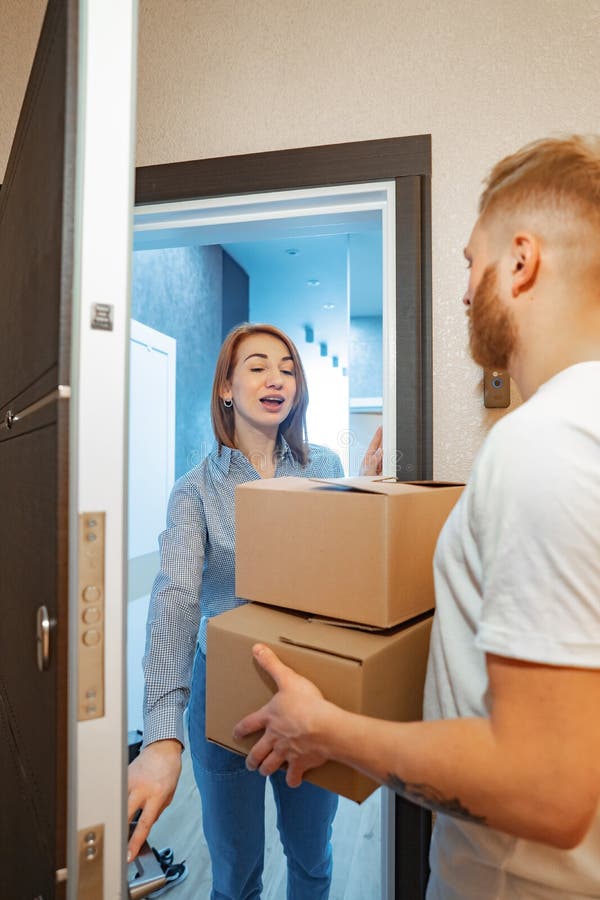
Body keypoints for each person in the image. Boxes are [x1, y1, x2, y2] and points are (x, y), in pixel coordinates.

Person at [234, 136, 600, 899]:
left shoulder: (544, 443)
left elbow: (547, 791)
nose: (464, 292)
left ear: (521, 261)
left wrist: (326, 728)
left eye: (471, 262)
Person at [127, 322, 383, 899]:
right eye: (259, 366)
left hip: (309, 685)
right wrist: (162, 736)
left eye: (288, 369)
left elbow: (343, 572)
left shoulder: (324, 468)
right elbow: (174, 606)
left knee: (311, 855)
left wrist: (366, 502)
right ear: (226, 387)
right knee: (236, 872)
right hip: (223, 690)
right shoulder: (195, 491)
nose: (277, 379)